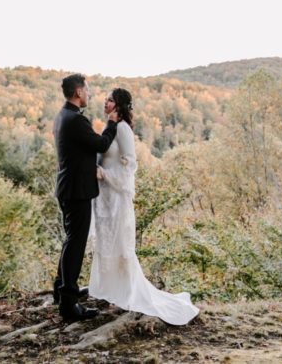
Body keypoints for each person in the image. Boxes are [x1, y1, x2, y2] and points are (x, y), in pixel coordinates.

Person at [90, 88, 199, 325]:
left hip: (117, 196)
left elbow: (130, 166)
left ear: (118, 104)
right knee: (106, 241)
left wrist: (105, 175)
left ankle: (126, 292)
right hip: (103, 197)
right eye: (106, 99)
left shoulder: (123, 129)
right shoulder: (108, 127)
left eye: (109, 99)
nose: (105, 102)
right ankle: (107, 290)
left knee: (119, 242)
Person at [53, 73, 118, 322]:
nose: (90, 94)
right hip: (76, 191)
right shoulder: (76, 120)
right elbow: (101, 145)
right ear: (78, 92)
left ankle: (62, 290)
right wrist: (111, 123)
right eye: (87, 90)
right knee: (76, 244)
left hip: (67, 188)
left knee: (71, 241)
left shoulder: (62, 116)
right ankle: (69, 305)